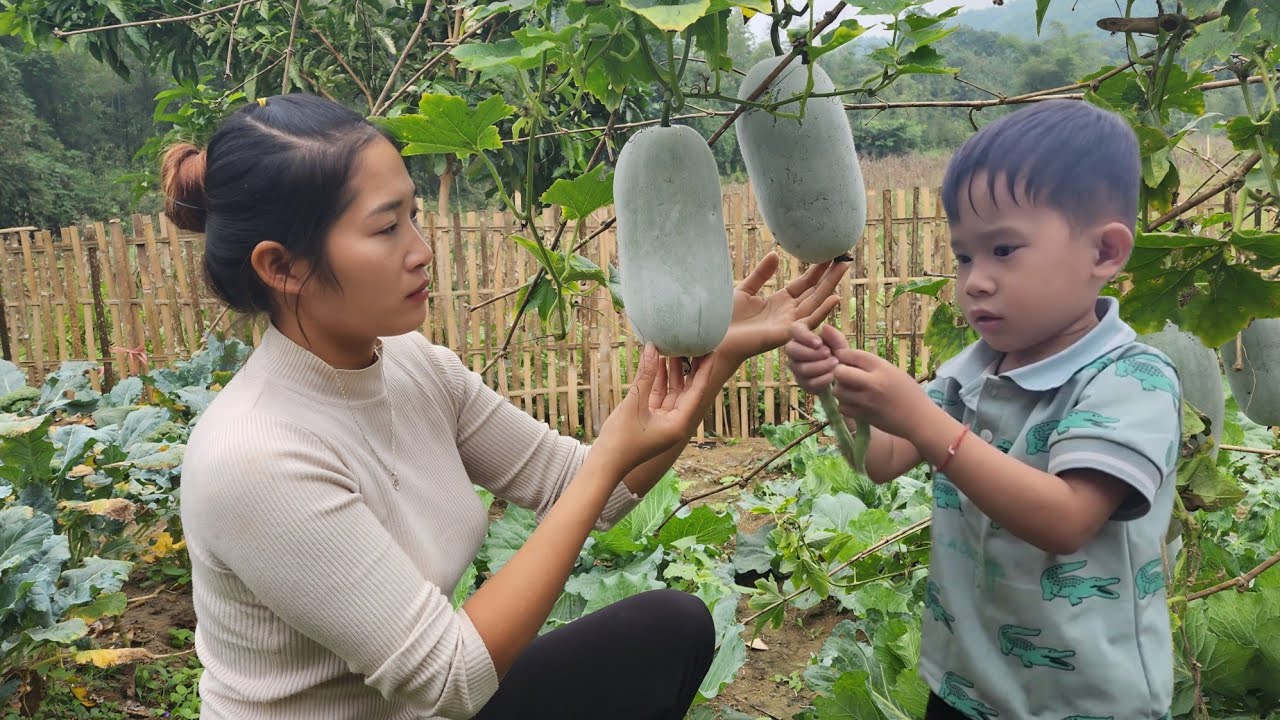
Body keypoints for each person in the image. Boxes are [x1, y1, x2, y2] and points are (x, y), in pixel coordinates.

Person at [165, 92, 848, 720]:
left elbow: (588, 492)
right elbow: (452, 678)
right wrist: (610, 452)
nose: (421, 252)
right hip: (437, 698)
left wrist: (713, 352)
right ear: (281, 267)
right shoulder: (254, 456)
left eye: (413, 216)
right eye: (385, 230)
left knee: (668, 629)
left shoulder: (413, 368)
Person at [785, 99, 1180, 719]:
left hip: (1085, 701)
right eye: (965, 256)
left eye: (1003, 250)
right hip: (965, 686)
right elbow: (879, 462)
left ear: (1104, 252)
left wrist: (921, 418)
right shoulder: (971, 373)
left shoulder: (1130, 380)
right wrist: (838, 397)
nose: (974, 281)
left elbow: (1067, 519)